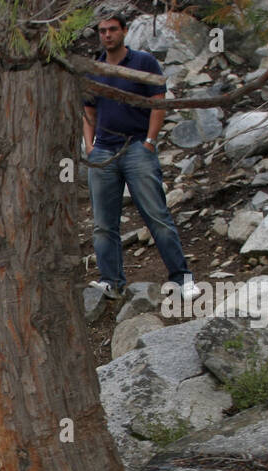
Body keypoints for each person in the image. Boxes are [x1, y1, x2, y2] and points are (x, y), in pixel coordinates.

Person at [82, 10, 199, 303]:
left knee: (156, 215)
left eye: (112, 29)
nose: (107, 35)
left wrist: (149, 141)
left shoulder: (143, 62)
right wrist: (89, 146)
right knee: (103, 224)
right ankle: (112, 281)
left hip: (136, 147)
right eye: (102, 31)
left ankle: (182, 278)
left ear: (123, 31)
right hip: (104, 152)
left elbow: (157, 104)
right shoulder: (95, 68)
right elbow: (88, 110)